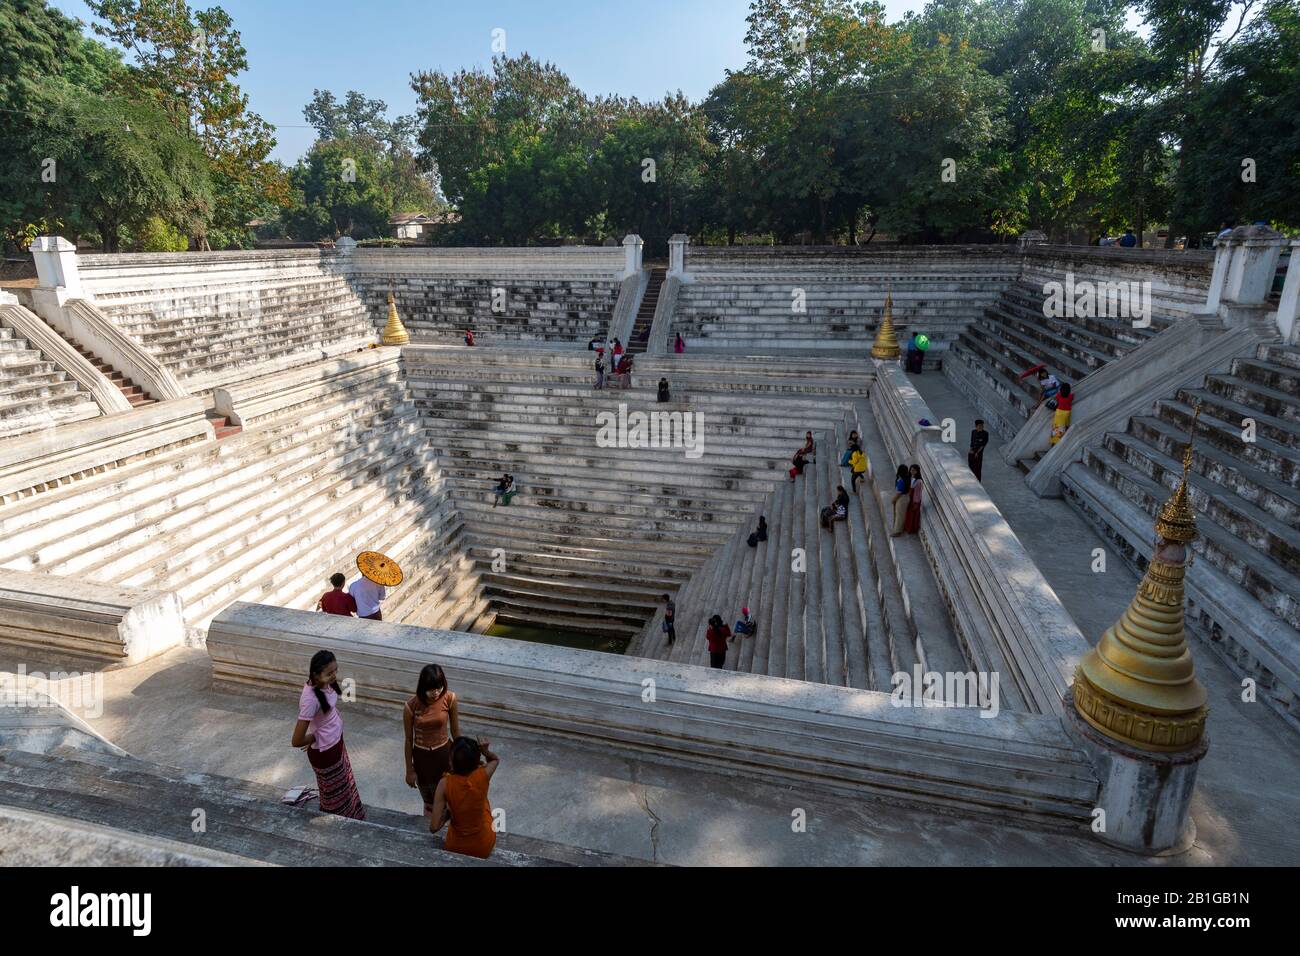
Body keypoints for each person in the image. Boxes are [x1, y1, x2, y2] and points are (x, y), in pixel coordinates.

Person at [292, 650, 365, 819]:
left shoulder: (324, 685)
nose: (334, 676)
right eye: (329, 673)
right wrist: (316, 736)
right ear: (316, 675)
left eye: (335, 671)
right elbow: (296, 740)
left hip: (336, 743)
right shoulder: (310, 700)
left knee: (345, 787)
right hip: (325, 753)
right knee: (335, 797)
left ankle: (353, 817)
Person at [404, 664, 461, 819]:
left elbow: (456, 732)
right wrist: (409, 770)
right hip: (422, 761)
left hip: (444, 756)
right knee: (429, 802)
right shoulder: (411, 706)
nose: (436, 693)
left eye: (439, 688)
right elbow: (409, 740)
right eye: (431, 689)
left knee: (450, 798)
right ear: (422, 687)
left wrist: (464, 759)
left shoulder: (450, 698)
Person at [429, 737, 499, 859]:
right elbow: (495, 760)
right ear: (476, 762)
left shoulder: (444, 784)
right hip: (483, 845)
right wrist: (485, 751)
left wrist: (450, 813)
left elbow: (434, 827)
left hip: (456, 846)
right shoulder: (483, 774)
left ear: (451, 761)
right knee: (484, 804)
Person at [889, 465, 910, 537]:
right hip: (906, 497)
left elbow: (899, 493)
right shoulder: (908, 478)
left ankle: (897, 531)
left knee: (899, 515)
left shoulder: (902, 480)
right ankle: (900, 528)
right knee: (902, 514)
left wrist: (893, 499)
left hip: (901, 498)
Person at [903, 465, 924, 535]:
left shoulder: (919, 481)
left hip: (915, 499)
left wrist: (916, 502)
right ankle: (906, 527)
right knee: (908, 513)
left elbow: (918, 492)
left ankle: (911, 529)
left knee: (913, 515)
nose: (912, 471)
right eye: (911, 470)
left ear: (917, 471)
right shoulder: (911, 478)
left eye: (914, 470)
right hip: (910, 498)